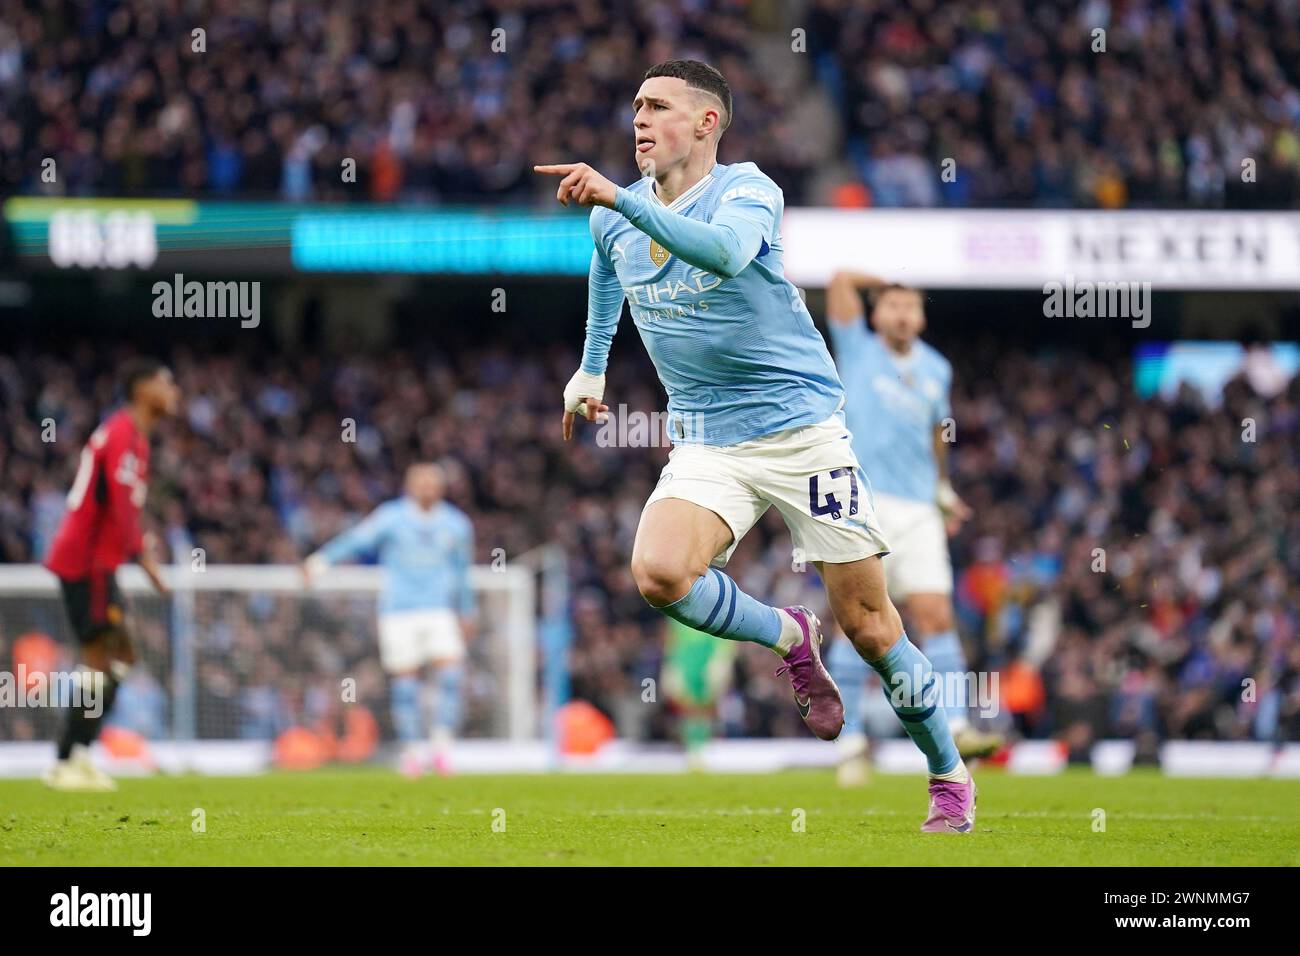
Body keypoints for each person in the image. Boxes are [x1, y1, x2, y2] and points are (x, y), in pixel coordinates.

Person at [535, 59, 976, 831]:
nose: (638, 121)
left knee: (872, 627)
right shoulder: (617, 215)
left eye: (658, 107)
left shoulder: (749, 190)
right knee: (660, 573)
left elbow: (725, 255)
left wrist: (617, 202)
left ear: (706, 123)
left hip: (803, 433)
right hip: (707, 436)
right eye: (634, 106)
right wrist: (591, 366)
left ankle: (947, 773)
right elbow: (607, 266)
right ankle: (786, 633)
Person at [825, 272, 1004, 785]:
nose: (903, 314)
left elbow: (936, 433)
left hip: (919, 508)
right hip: (862, 502)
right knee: (857, 623)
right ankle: (850, 739)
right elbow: (839, 282)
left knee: (936, 614)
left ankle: (957, 724)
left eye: (910, 306)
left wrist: (943, 489)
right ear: (877, 314)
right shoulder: (857, 348)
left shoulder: (936, 369)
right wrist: (884, 283)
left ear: (921, 318)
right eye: (893, 306)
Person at [43, 358, 179, 791]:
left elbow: (122, 508)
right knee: (105, 656)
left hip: (96, 562)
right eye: (166, 384)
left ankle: (76, 754)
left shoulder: (131, 436)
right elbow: (120, 511)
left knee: (115, 658)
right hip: (89, 562)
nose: (173, 392)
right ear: (143, 390)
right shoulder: (123, 434)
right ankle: (68, 759)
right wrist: (148, 562)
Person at [304, 463, 475, 777]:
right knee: (406, 685)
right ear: (409, 486)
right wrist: (321, 561)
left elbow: (462, 572)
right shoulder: (392, 518)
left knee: (451, 677)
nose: (426, 487)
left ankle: (441, 748)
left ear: (441, 487)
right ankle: (411, 753)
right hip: (399, 612)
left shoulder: (457, 524)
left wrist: (467, 610)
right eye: (420, 481)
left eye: (432, 482)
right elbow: (356, 540)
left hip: (439, 611)